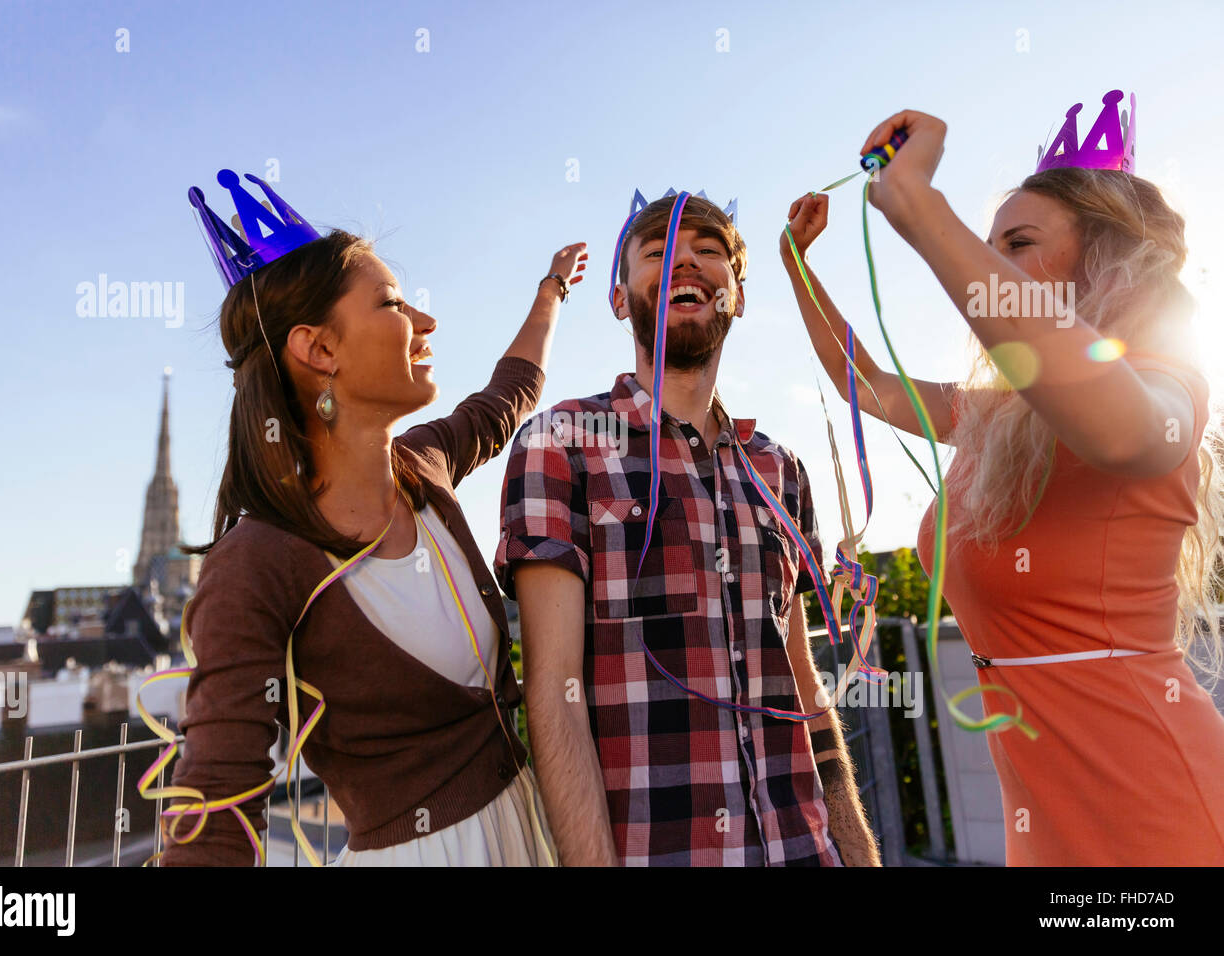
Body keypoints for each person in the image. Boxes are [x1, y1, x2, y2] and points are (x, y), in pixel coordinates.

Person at [782, 103, 1224, 865]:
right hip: (1040, 811)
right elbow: (871, 384)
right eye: (987, 249)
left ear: (1107, 257)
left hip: (1153, 806)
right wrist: (798, 265)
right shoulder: (1007, 417)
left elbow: (1117, 430)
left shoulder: (1166, 389)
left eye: (1018, 244)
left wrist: (924, 211)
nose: (987, 266)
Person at [159, 169, 588, 865]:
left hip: (527, 832)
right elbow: (216, 810)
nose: (426, 322)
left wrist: (552, 290)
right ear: (319, 350)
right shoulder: (259, 562)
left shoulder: (424, 468)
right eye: (393, 303)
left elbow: (509, 395)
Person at [495, 192, 880, 866]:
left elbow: (801, 680)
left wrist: (854, 847)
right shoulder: (562, 442)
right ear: (620, 300)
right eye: (659, 252)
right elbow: (554, 696)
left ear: (736, 296)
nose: (687, 261)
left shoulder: (779, 469)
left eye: (709, 250)